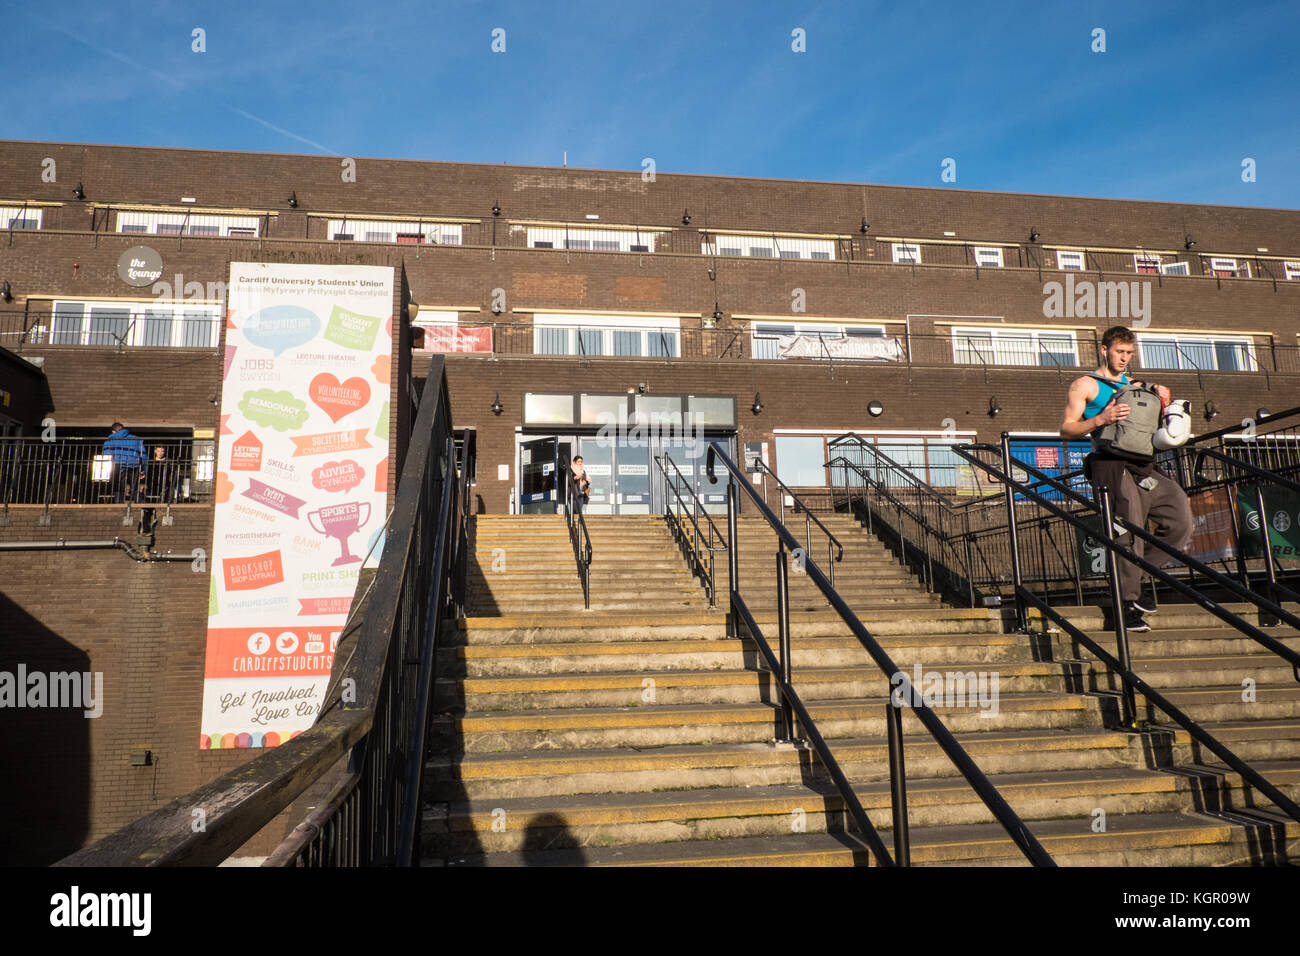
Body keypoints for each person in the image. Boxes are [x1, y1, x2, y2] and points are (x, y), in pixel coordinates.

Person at [1060, 326, 1193, 633]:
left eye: (1129, 353)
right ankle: (1125, 603)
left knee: (1181, 520)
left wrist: (1166, 406)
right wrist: (1100, 419)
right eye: (1119, 352)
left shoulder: (1139, 386)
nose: (1124, 358)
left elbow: (1156, 432)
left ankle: (1136, 579)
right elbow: (1066, 429)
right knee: (1128, 529)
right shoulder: (1085, 385)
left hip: (1144, 466)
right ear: (1104, 349)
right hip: (1109, 464)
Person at [103, 422, 145, 504]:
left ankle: (119, 504)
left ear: (113, 431)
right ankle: (138, 503)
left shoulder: (110, 440)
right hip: (134, 464)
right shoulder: (135, 439)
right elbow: (143, 454)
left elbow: (107, 454)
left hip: (118, 465)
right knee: (135, 486)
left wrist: (107, 471)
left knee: (118, 487)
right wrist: (143, 469)